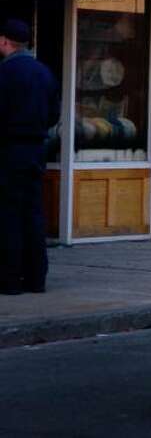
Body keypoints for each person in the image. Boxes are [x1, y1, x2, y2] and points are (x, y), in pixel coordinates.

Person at [0, 19, 59, 295]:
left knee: (8, 215)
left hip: (9, 150)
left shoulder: (5, 73)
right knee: (34, 213)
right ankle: (37, 279)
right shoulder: (43, 72)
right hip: (36, 149)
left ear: (4, 42)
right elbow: (54, 114)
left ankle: (10, 279)